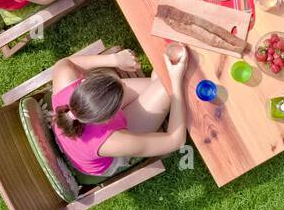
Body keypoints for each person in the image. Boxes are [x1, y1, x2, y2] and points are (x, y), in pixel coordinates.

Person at [49, 46, 192, 177]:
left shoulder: (65, 77)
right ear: (109, 119)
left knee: (163, 82)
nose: (123, 83)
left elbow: (67, 62)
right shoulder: (112, 141)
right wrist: (176, 82)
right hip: (103, 157)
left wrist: (115, 59)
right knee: (167, 85)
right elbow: (175, 141)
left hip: (86, 126)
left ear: (83, 83)